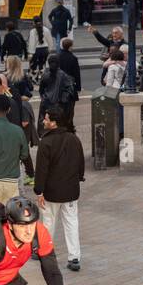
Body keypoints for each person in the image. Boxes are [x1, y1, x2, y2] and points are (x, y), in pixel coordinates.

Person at [34, 105, 86, 271]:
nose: (43, 121)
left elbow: (41, 170)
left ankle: (46, 252)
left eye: (46, 119)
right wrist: (78, 178)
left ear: (54, 123)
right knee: (71, 222)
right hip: (71, 190)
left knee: (49, 222)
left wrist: (39, 190)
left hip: (51, 192)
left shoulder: (46, 142)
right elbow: (80, 164)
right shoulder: (73, 139)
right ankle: (74, 257)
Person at [39, 52, 79, 130]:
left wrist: (44, 98)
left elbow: (41, 90)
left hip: (51, 104)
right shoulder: (64, 76)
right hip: (57, 106)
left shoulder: (47, 75)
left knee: (47, 125)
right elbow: (70, 90)